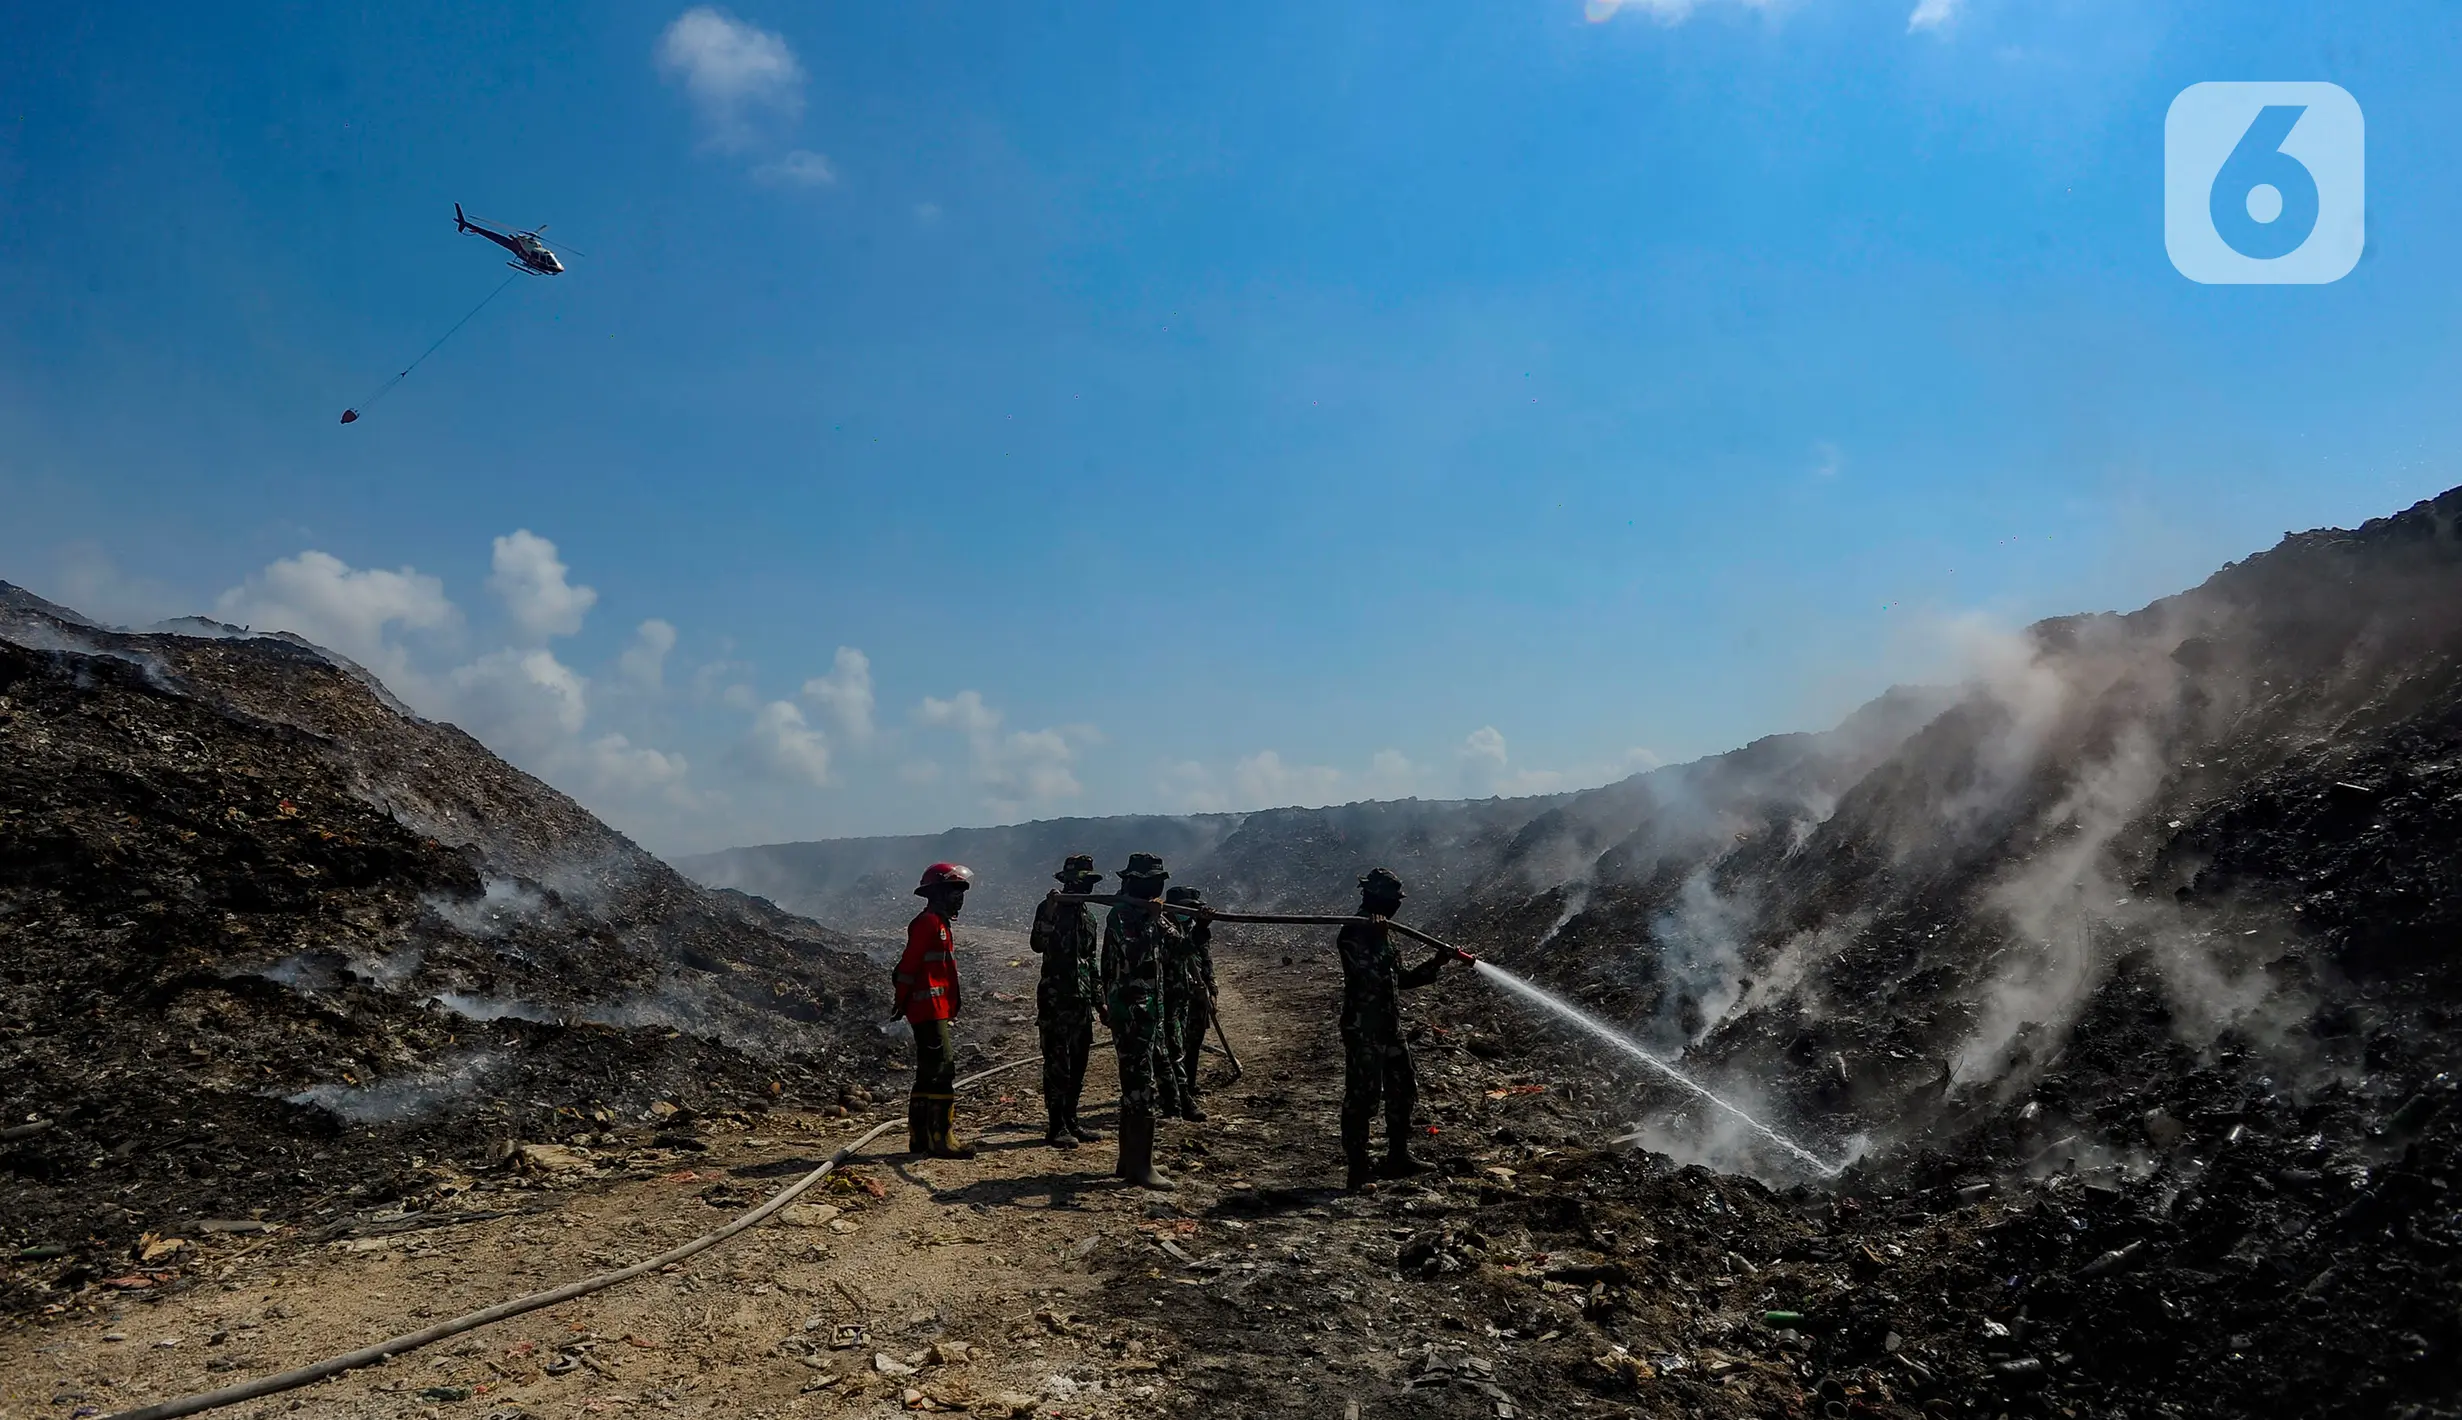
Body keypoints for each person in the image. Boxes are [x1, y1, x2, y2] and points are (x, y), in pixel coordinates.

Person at [1337, 867, 1472, 1193]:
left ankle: (1398, 1157)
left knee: (1403, 1091)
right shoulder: (1353, 933)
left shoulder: (1383, 931)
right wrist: (1378, 940)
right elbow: (1367, 976)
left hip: (1391, 1028)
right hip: (1364, 1030)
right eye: (1394, 899)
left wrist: (1437, 962)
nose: (1398, 905)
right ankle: (1358, 1171)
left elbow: (1402, 979)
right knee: (1362, 1099)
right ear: (1376, 897)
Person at [1100, 852, 1181, 1190]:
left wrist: (1201, 925)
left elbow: (1180, 946)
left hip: (1149, 1014)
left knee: (1136, 1087)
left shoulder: (1148, 913)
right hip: (1131, 1014)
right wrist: (1152, 919)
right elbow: (1134, 951)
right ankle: (1141, 1167)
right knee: (1139, 1087)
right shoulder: (1122, 915)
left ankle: (1130, 1160)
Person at [890, 862, 977, 1160]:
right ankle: (941, 1139)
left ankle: (920, 1137)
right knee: (942, 1068)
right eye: (954, 890)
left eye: (961, 890)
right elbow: (907, 967)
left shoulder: (940, 923)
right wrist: (901, 1001)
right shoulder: (928, 924)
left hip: (934, 1008)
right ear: (937, 892)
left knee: (928, 1072)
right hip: (927, 1009)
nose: (959, 897)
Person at [1030, 853, 1107, 1149]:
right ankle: (1056, 1124)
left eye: (1088, 882)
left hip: (1082, 1001)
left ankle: (1072, 1118)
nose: (1085, 888)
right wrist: (1050, 911)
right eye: (1080, 882)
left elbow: (1091, 961)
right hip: (1055, 999)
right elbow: (1037, 944)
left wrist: (1100, 1002)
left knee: (1078, 1063)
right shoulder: (1050, 908)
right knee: (1057, 1064)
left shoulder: (1089, 917)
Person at [1160, 885, 1218, 1123]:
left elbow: (1205, 958)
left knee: (1193, 1041)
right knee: (1174, 1046)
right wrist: (1202, 929)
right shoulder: (1163, 927)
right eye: (1185, 907)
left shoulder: (1192, 927)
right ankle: (1176, 1096)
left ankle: (1189, 1085)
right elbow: (1181, 950)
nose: (1189, 912)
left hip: (1195, 993)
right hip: (1170, 994)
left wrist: (1212, 988)